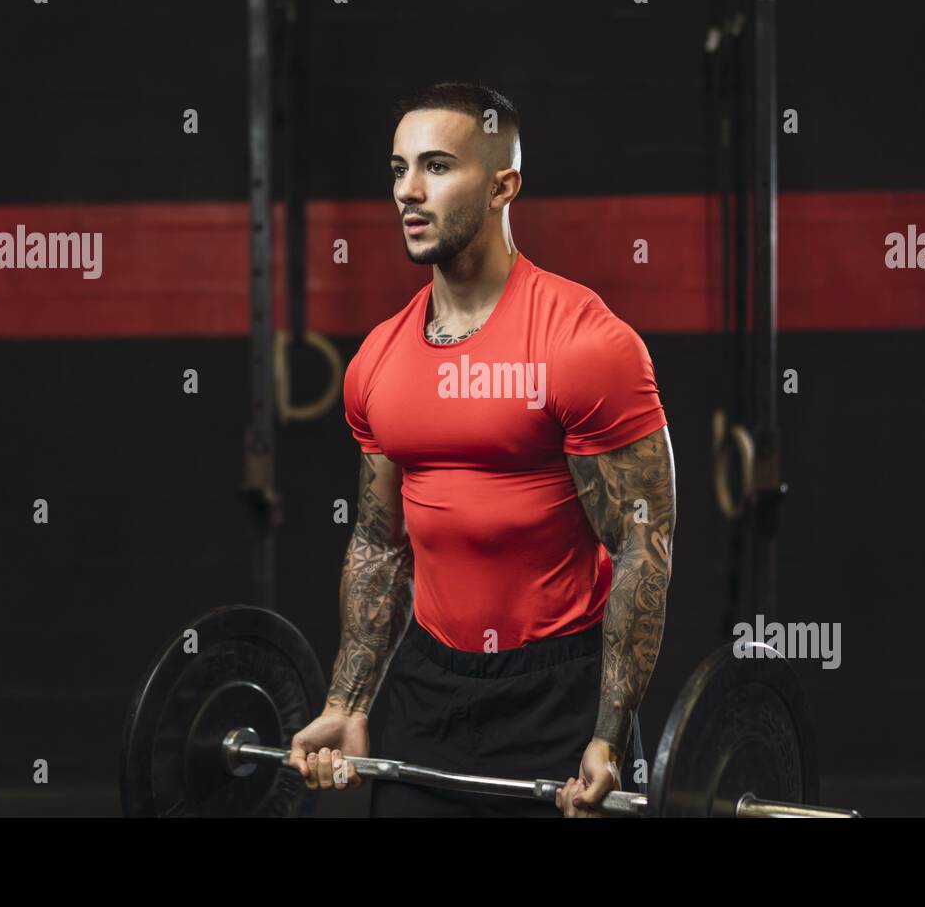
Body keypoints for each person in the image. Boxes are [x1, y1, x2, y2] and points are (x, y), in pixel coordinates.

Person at [288, 82, 676, 817]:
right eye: (398, 169)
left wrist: (609, 733)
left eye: (436, 167)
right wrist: (347, 697)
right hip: (429, 687)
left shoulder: (585, 345)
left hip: (559, 691)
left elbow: (641, 545)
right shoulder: (377, 359)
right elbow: (378, 544)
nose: (407, 190)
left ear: (503, 185)